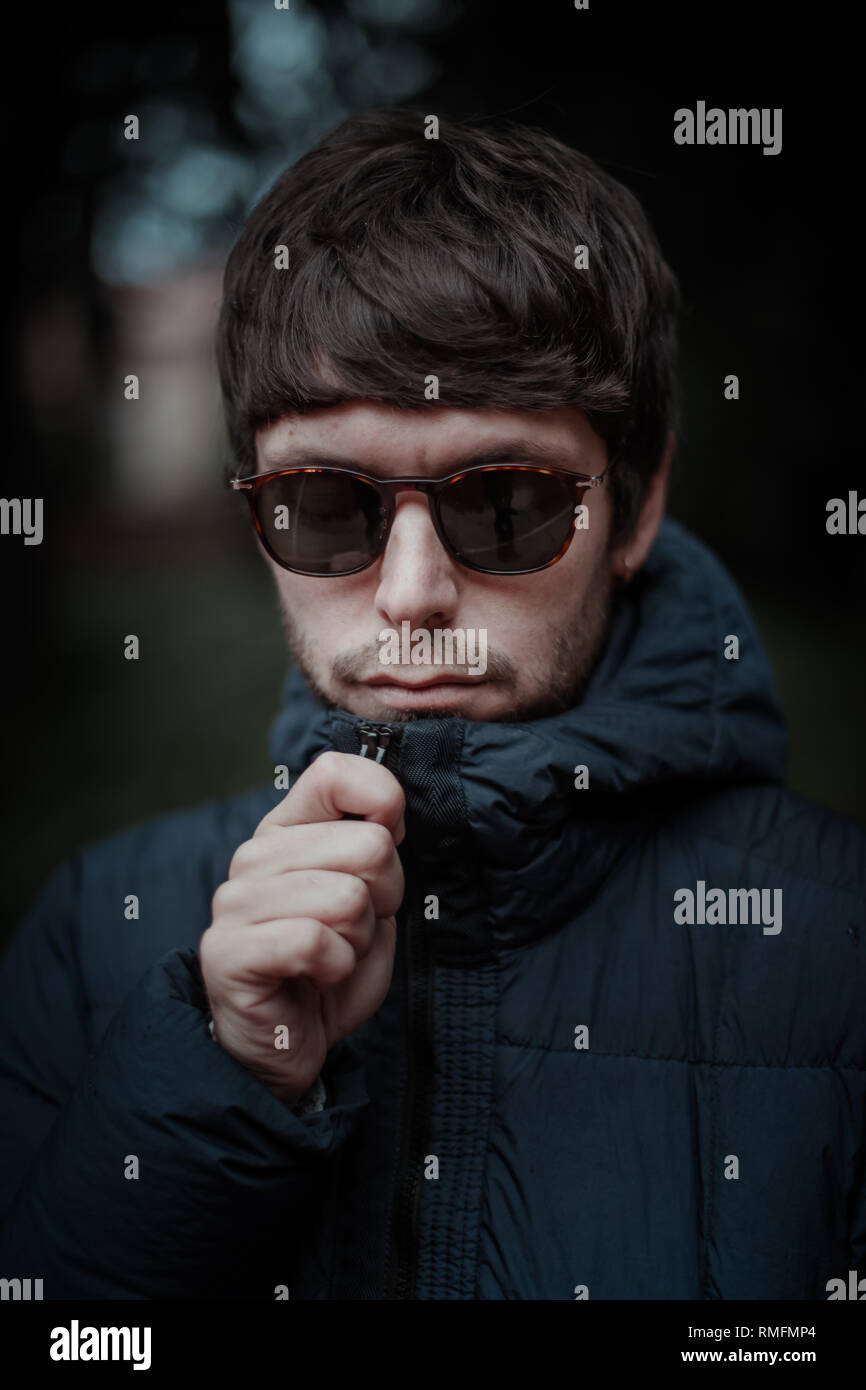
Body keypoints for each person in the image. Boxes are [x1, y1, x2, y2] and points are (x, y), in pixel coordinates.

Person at [1, 107, 863, 1302]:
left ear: (637, 506)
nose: (411, 594)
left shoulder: (840, 949)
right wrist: (217, 1082)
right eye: (325, 503)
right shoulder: (90, 934)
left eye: (504, 501)